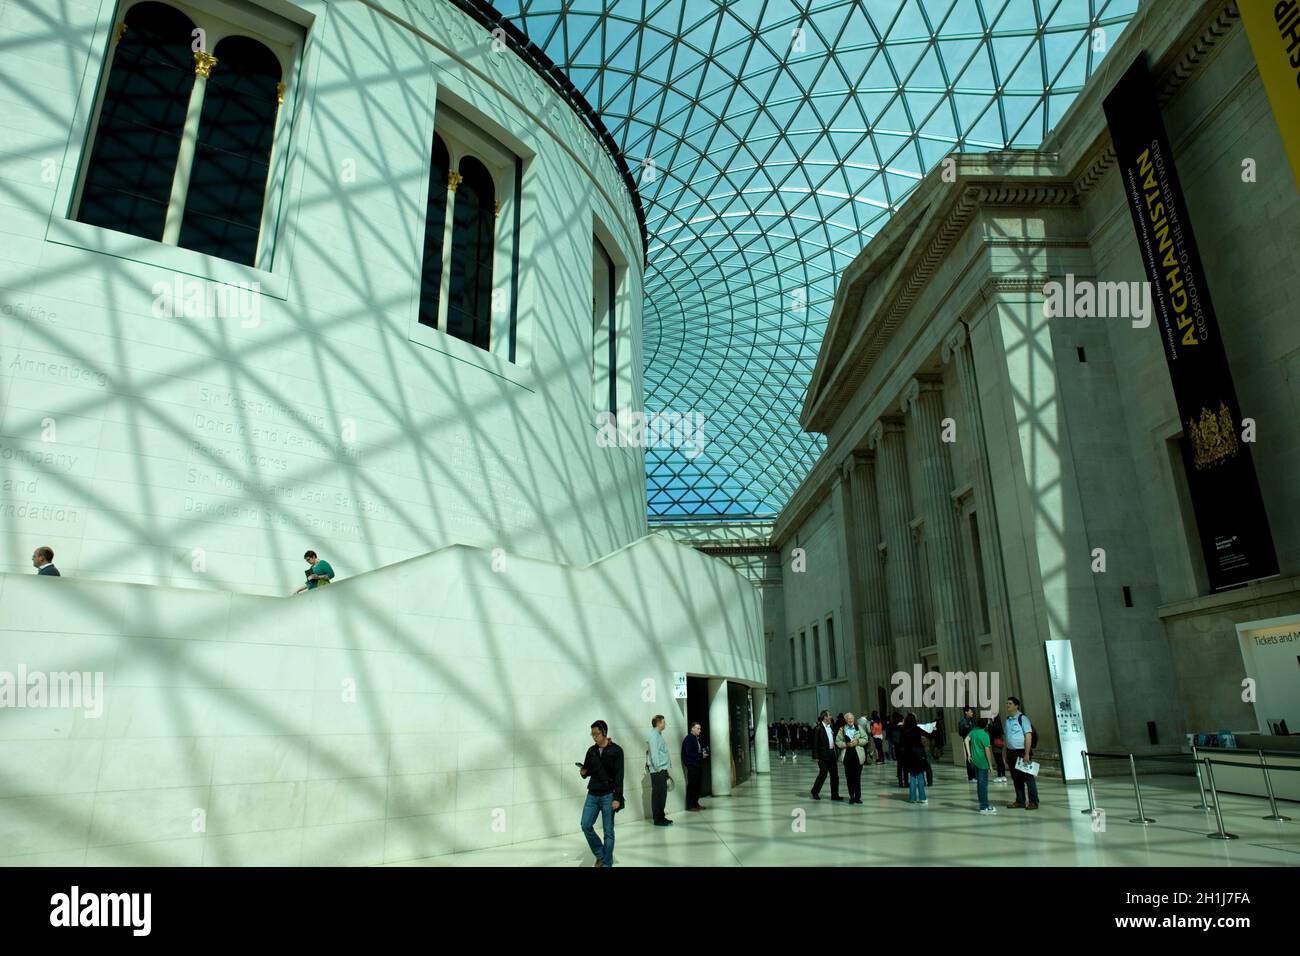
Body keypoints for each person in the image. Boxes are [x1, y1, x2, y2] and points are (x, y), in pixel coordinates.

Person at [579, 720, 624, 867]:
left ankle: (606, 864)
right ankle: (601, 855)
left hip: (608, 795)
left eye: (596, 734)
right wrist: (583, 772)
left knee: (608, 832)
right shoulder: (591, 751)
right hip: (592, 794)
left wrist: (617, 797)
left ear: (604, 732)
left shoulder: (617, 751)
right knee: (585, 825)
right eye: (592, 734)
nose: (594, 737)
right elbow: (588, 770)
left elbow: (619, 776)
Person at [1004, 696, 1038, 810]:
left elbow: (1028, 736)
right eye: (1007, 703)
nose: (1007, 705)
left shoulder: (1023, 718)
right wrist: (1005, 753)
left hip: (1022, 752)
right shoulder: (1007, 720)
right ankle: (1020, 800)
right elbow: (1007, 738)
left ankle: (1033, 801)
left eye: (1010, 703)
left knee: (1028, 777)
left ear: (1016, 705)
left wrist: (1027, 754)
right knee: (1016, 777)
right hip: (1011, 753)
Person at [966, 717, 996, 814]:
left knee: (980, 784)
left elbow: (966, 740)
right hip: (983, 763)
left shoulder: (973, 732)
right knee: (983, 785)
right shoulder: (985, 735)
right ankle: (984, 807)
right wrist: (990, 766)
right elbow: (987, 751)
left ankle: (982, 805)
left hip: (975, 761)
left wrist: (969, 754)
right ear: (986, 725)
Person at [836, 711, 868, 804]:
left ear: (854, 719)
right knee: (849, 778)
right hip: (847, 755)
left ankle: (858, 797)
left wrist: (857, 741)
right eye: (848, 719)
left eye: (852, 719)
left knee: (857, 777)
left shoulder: (859, 728)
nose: (850, 720)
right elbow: (838, 742)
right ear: (846, 720)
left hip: (858, 755)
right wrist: (846, 744)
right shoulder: (842, 729)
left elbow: (865, 739)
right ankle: (851, 797)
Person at [810, 710, 842, 801]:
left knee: (835, 775)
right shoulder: (818, 728)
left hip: (832, 753)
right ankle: (815, 791)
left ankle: (835, 795)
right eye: (829, 715)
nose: (831, 717)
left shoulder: (831, 726)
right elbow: (815, 743)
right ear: (825, 717)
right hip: (822, 755)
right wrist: (815, 757)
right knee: (823, 774)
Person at [647, 715, 673, 826]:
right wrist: (658, 768)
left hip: (661, 770)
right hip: (658, 770)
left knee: (662, 795)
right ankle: (658, 819)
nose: (665, 724)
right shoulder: (654, 736)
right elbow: (654, 753)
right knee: (658, 795)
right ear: (659, 723)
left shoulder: (658, 735)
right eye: (663, 722)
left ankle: (661, 817)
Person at [901, 713, 928, 805]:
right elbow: (928, 734)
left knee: (912, 776)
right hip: (918, 754)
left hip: (909, 755)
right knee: (920, 775)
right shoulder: (917, 729)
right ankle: (922, 797)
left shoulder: (903, 730)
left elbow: (901, 743)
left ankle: (912, 797)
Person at [681, 721, 706, 811]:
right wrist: (700, 755)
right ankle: (690, 805)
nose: (700, 730)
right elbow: (689, 753)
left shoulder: (695, 738)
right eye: (698, 728)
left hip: (697, 764)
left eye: (700, 728)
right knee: (692, 785)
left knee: (697, 785)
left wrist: (702, 754)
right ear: (692, 729)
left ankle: (695, 804)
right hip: (692, 765)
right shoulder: (689, 739)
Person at [958, 706, 978, 783]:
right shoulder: (962, 721)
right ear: (966, 712)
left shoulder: (973, 721)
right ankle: (971, 776)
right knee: (970, 758)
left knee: (975, 757)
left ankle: (975, 775)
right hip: (967, 742)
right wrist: (968, 729)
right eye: (970, 711)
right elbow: (960, 733)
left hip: (974, 741)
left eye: (972, 711)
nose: (972, 713)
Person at [987, 713, 1007, 783]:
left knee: (998, 761)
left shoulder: (993, 725)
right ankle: (1004, 776)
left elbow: (990, 731)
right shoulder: (1000, 724)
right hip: (1000, 744)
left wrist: (989, 723)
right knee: (1001, 761)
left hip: (995, 745)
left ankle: (999, 776)